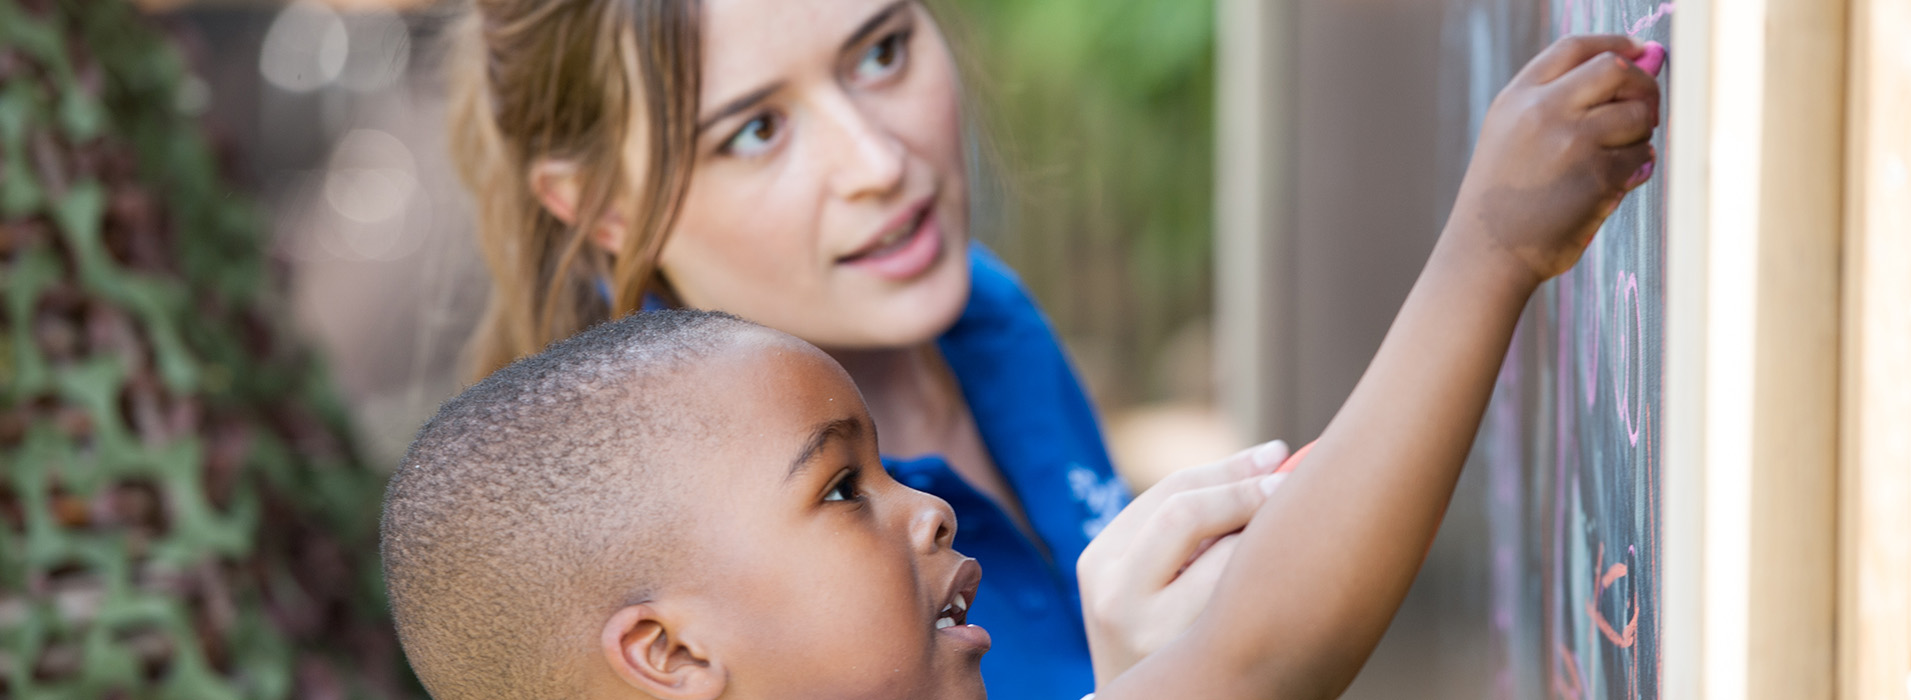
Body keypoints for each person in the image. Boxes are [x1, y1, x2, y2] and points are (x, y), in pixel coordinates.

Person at [388, 31, 1662, 700]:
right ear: (667, 654)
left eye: (884, 48)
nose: (930, 500)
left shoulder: (982, 320)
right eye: (845, 491)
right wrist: (1489, 248)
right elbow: (1265, 659)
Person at [446, 2, 1190, 696]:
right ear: (605, 208)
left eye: (883, 52)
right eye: (756, 131)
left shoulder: (981, 306)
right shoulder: (667, 546)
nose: (880, 164)